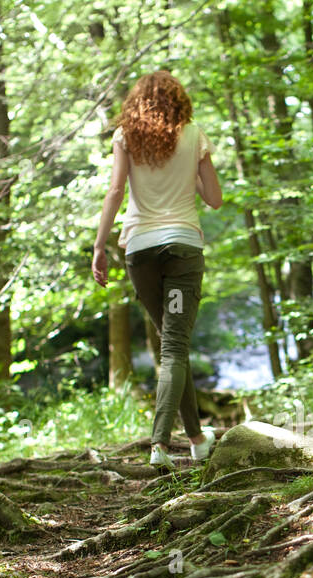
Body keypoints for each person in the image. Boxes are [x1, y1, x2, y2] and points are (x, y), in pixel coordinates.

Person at [92, 70, 223, 468]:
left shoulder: (125, 136)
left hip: (140, 251)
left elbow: (116, 191)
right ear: (179, 100)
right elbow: (215, 198)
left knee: (172, 345)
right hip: (181, 249)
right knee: (174, 346)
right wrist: (193, 174)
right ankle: (161, 446)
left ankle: (198, 439)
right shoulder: (194, 135)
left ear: (137, 102)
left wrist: (99, 246)